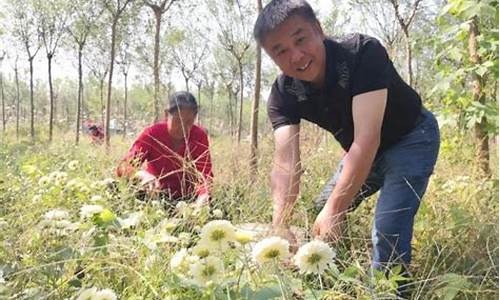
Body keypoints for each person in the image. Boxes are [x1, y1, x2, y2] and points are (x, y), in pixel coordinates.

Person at [253, 0, 440, 287]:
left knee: (387, 228)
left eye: (300, 39)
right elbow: (285, 163)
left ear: (318, 29)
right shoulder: (283, 94)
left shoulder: (362, 53)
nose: (297, 56)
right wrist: (280, 223)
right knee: (318, 214)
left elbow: (367, 139)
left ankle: (390, 291)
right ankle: (334, 282)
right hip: (363, 152)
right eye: (281, 51)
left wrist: (336, 208)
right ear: (272, 58)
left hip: (411, 139)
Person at [116, 91, 213, 211]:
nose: (183, 128)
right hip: (154, 197)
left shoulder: (199, 136)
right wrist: (142, 175)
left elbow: (204, 175)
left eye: (189, 122)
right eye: (178, 121)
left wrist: (203, 195)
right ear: (167, 115)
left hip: (187, 200)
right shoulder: (152, 134)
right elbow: (124, 166)